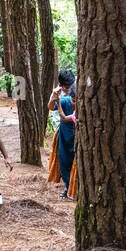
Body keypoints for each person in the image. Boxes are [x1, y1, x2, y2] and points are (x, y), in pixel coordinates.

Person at [49, 70, 77, 200]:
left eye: (69, 86)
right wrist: (53, 97)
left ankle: (75, 186)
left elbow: (66, 117)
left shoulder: (76, 94)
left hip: (76, 132)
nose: (68, 89)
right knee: (64, 161)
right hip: (64, 134)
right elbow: (50, 107)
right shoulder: (64, 99)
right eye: (65, 87)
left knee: (75, 160)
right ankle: (67, 185)